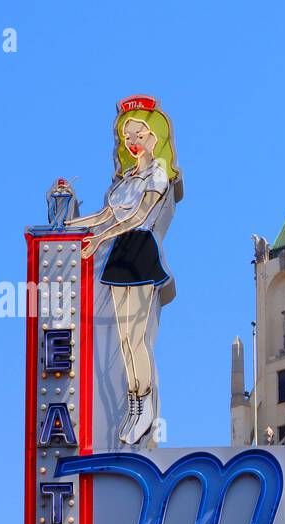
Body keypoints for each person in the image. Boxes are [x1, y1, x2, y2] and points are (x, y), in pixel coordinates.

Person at [68, 97, 180, 445]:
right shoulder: (124, 180)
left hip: (141, 249)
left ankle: (143, 404)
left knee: (137, 337)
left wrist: (99, 235)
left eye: (140, 134)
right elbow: (106, 215)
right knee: (122, 342)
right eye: (128, 135)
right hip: (118, 251)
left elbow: (137, 217)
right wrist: (70, 222)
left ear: (155, 136)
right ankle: (132, 404)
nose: (133, 141)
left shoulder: (158, 173)